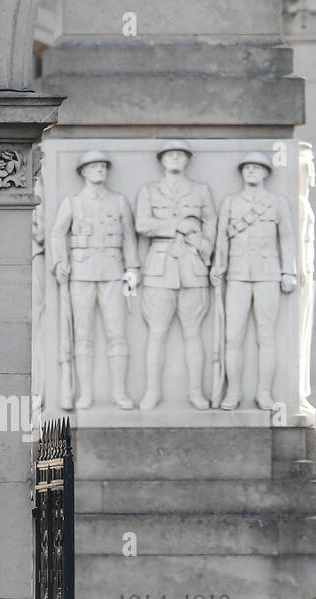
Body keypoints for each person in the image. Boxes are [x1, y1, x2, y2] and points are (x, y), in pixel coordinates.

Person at [49, 150, 140, 411]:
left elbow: (128, 237)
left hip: (113, 272)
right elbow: (57, 235)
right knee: (83, 335)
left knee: (117, 333)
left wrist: (132, 267)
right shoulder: (73, 203)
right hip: (82, 273)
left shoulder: (119, 201)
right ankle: (86, 394)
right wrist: (60, 261)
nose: (100, 170)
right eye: (94, 166)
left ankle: (120, 392)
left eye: (103, 166)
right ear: (84, 172)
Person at [210, 151, 297, 410]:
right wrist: (219, 266)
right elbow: (221, 238)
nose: (250, 172)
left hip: (268, 274)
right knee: (233, 336)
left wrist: (288, 271)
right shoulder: (230, 202)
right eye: (246, 168)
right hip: (237, 274)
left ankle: (264, 392)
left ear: (265, 173)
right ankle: (234, 391)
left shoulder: (277, 202)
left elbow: (287, 237)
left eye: (256, 168)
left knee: (266, 336)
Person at [134, 140, 217, 410]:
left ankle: (195, 392)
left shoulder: (201, 191)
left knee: (193, 333)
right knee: (156, 333)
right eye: (170, 155)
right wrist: (177, 225)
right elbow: (142, 224)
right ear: (162, 160)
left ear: (187, 160)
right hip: (160, 268)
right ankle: (151, 391)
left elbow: (211, 225)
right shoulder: (149, 190)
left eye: (180, 155)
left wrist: (205, 245)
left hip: (192, 268)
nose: (175, 159)